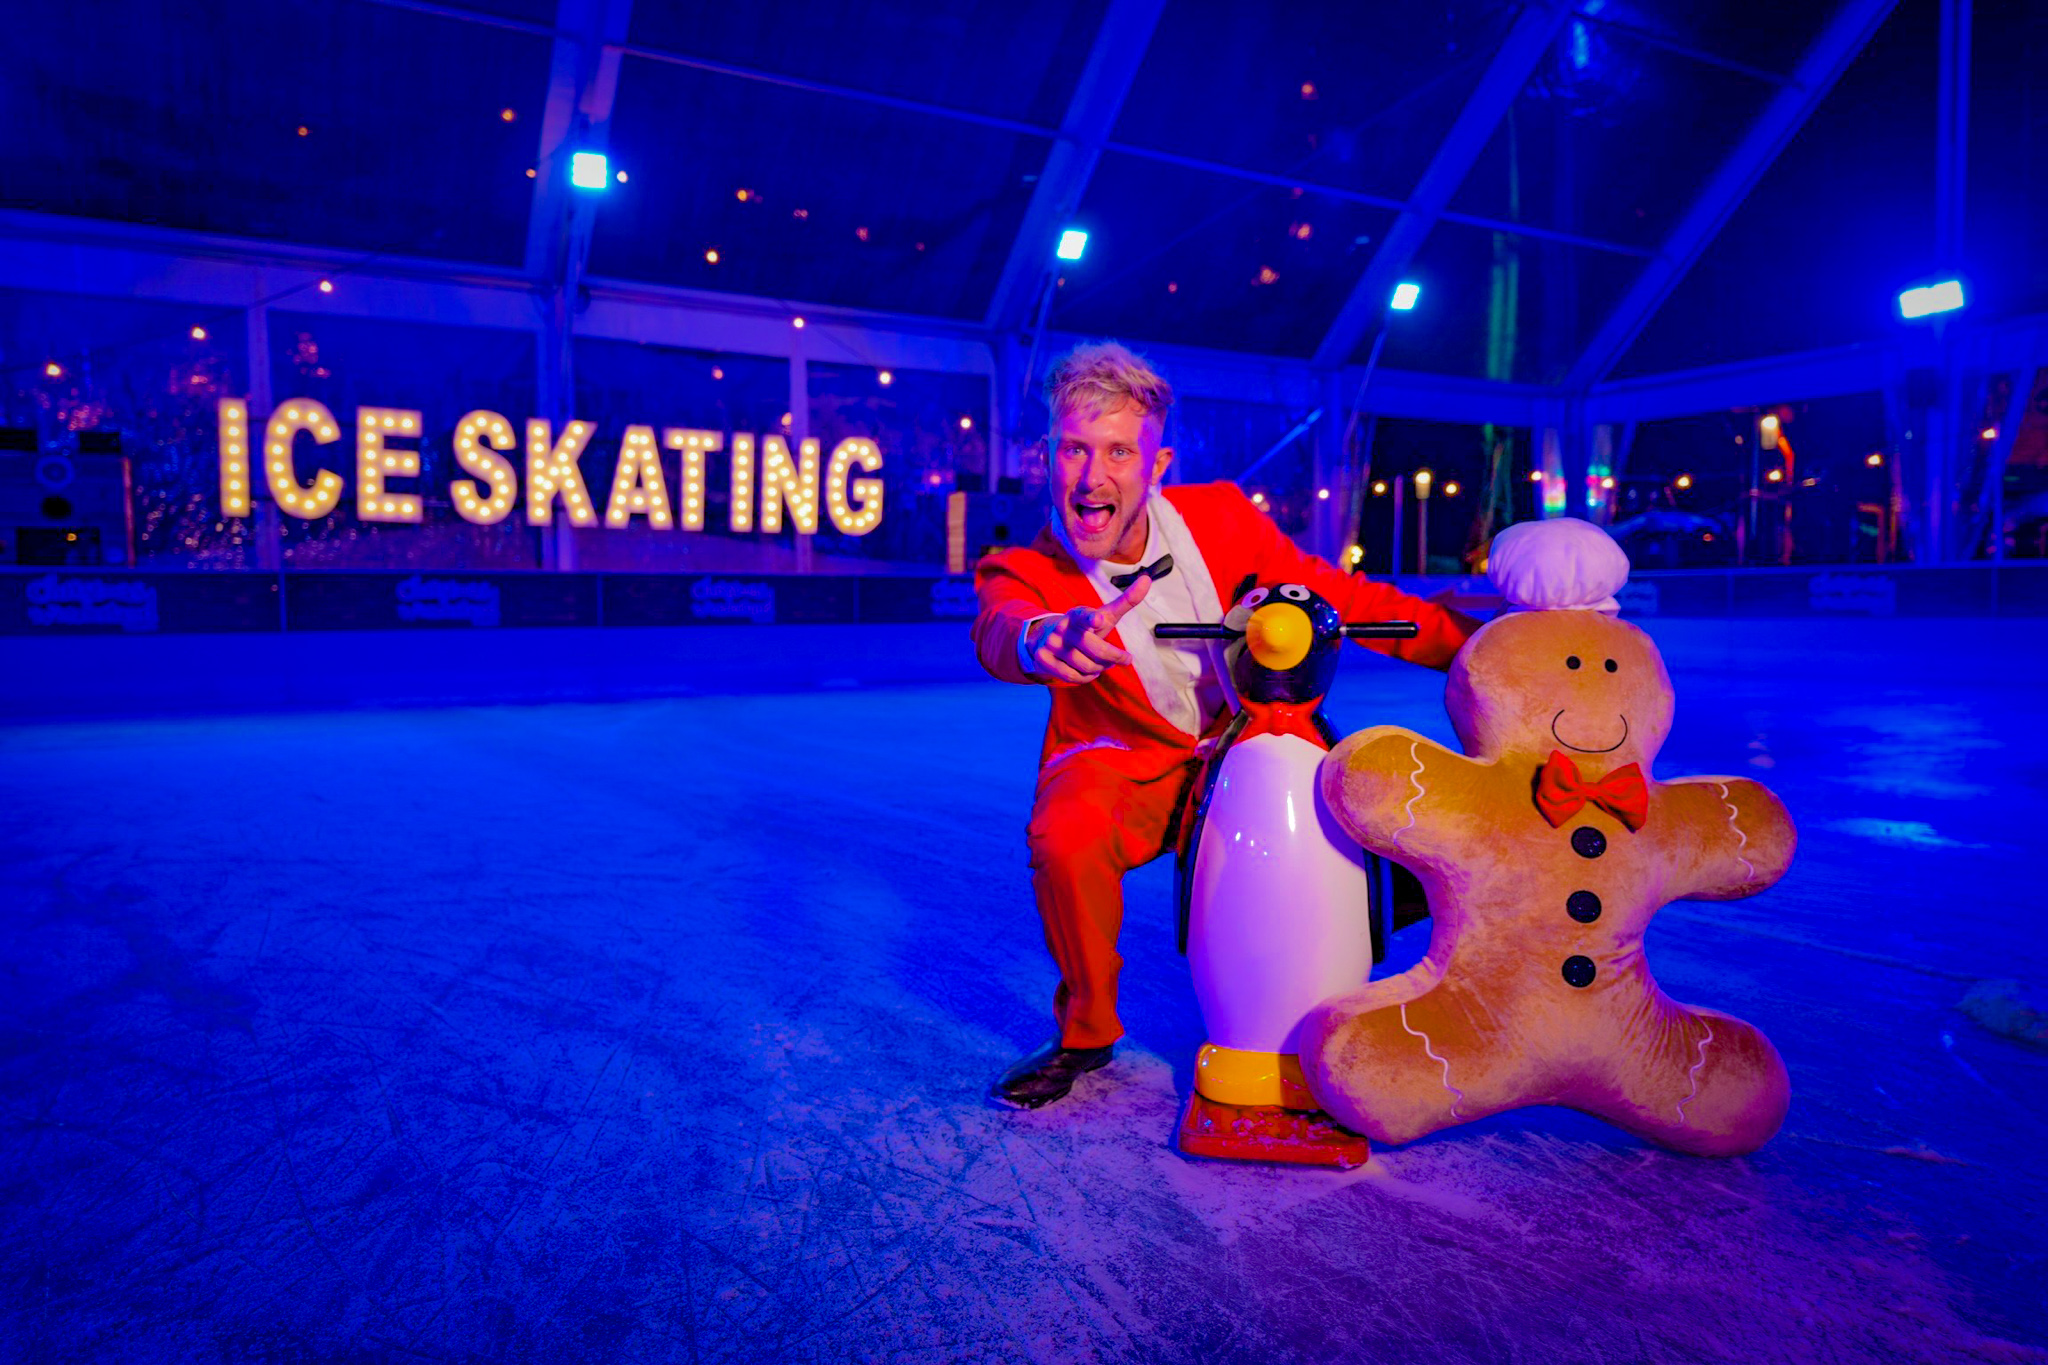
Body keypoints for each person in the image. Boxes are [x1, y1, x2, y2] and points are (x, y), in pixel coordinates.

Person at [972, 341, 1481, 1108]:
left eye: (1117, 451)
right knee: (1064, 833)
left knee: (1374, 797)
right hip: (1122, 764)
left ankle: (1368, 934)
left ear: (1156, 463)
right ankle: (1086, 1031)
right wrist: (1038, 638)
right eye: (1073, 449)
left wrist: (1473, 648)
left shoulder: (1221, 520)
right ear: (1047, 454)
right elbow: (1003, 626)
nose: (1091, 475)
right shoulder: (1025, 566)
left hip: (1243, 743)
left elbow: (1338, 596)